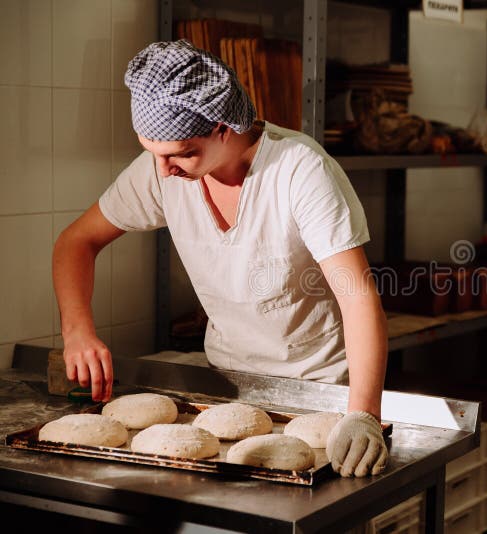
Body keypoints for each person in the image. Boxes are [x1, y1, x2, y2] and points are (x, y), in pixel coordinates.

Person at [52, 40, 389, 477]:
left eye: (181, 153)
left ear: (224, 126)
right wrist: (77, 331)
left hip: (318, 393)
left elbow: (358, 299)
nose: (163, 170)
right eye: (154, 152)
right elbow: (76, 242)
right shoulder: (164, 169)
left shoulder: (299, 171)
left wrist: (362, 414)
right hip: (225, 388)